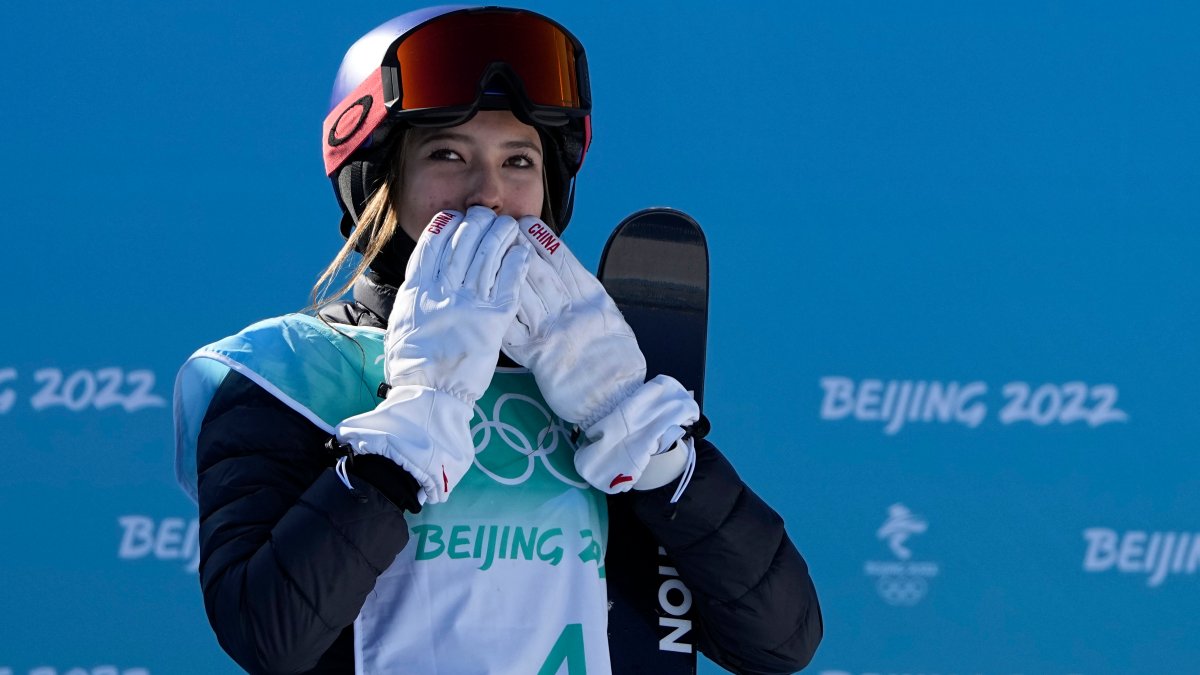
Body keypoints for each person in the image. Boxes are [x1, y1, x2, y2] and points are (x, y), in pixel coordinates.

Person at [173, 6, 822, 674]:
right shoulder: (284, 373)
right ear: (378, 182)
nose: (488, 193)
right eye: (448, 155)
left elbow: (780, 640)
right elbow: (269, 637)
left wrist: (653, 452)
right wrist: (412, 424)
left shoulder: (595, 374)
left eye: (518, 160)